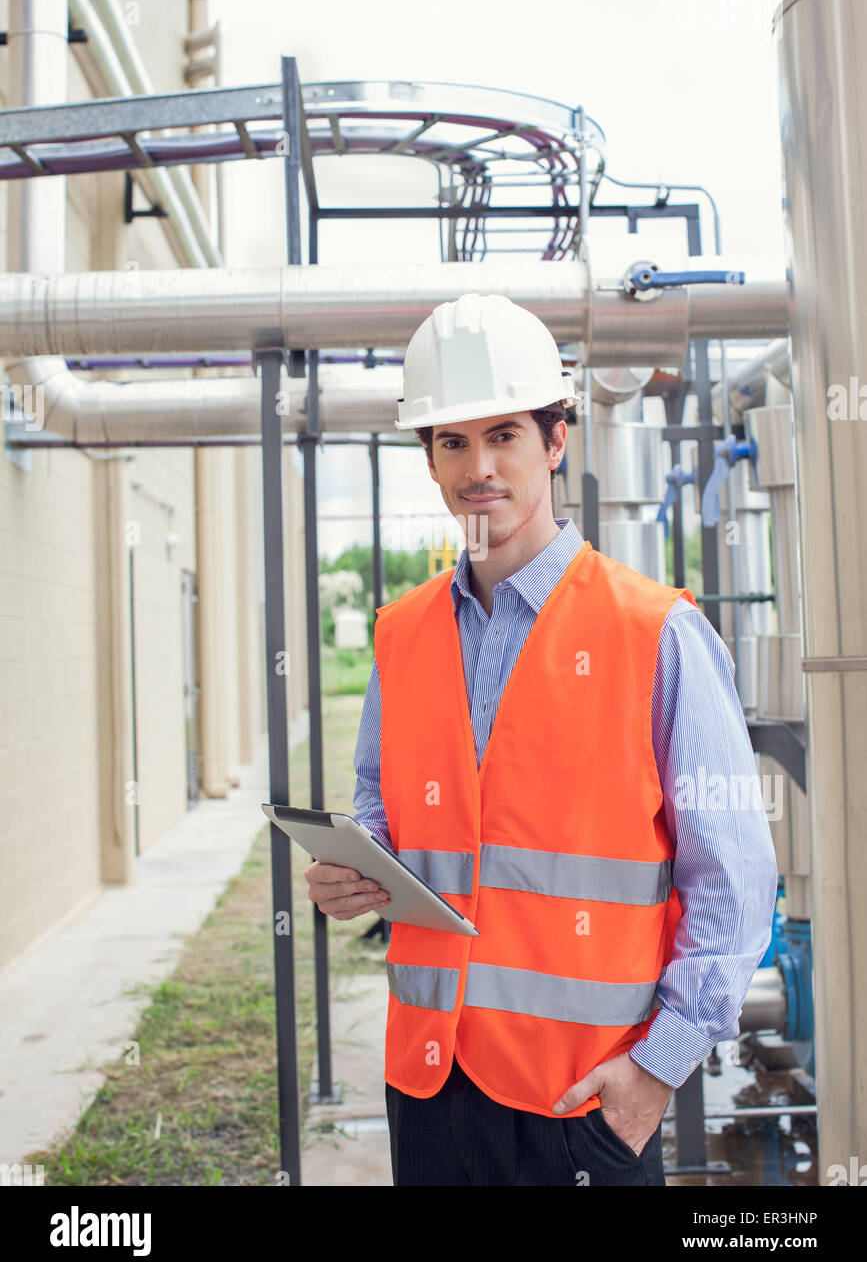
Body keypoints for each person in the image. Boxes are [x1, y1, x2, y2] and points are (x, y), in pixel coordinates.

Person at [305, 293, 778, 1187]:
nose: (478, 467)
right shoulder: (402, 634)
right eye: (451, 441)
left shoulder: (656, 633)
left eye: (504, 435)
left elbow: (734, 877)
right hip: (430, 1090)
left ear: (554, 442)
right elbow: (384, 804)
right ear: (430, 459)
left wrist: (656, 1071)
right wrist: (356, 866)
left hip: (584, 1105)